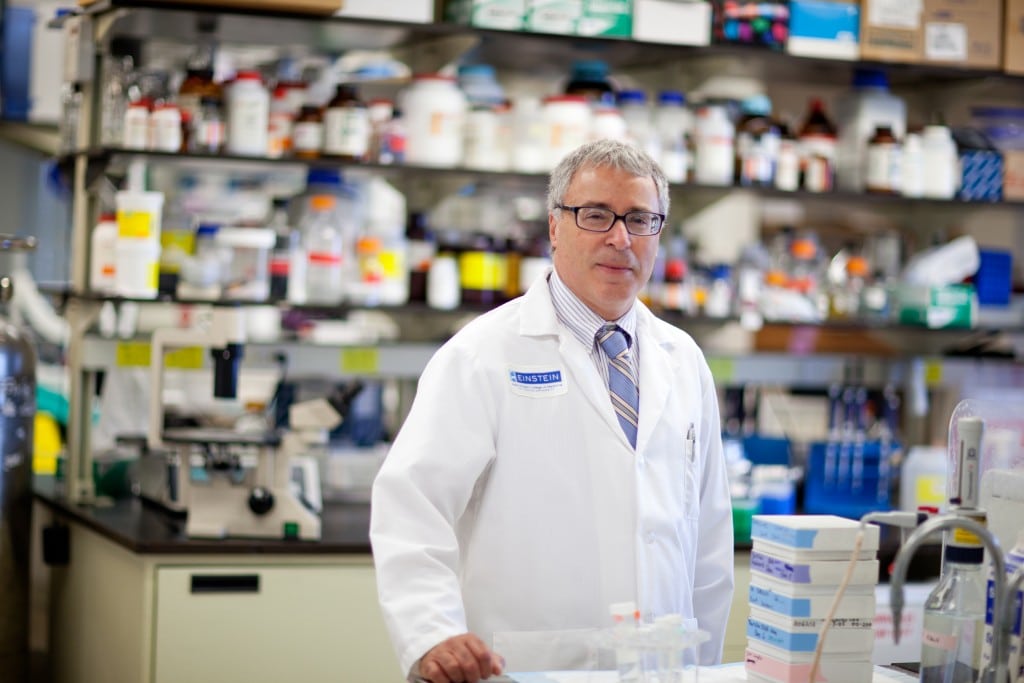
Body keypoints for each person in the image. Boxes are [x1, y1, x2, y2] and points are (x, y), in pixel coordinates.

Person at [370, 139, 734, 683]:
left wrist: (700, 671)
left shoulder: (682, 359)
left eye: (640, 219)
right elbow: (411, 508)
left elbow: (708, 540)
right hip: (525, 665)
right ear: (556, 227)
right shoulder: (480, 355)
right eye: (596, 216)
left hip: (663, 669)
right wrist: (432, 634)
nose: (620, 237)